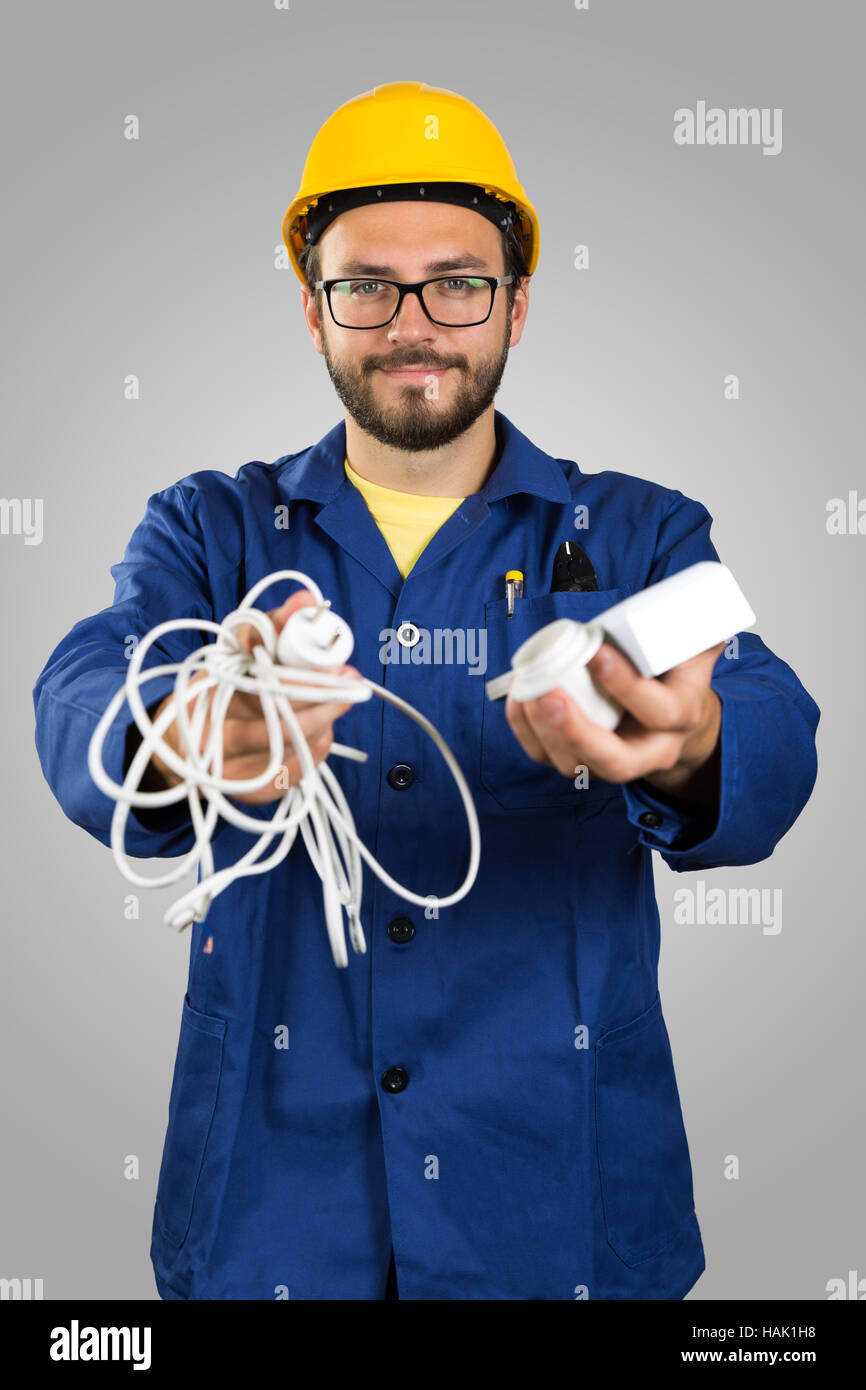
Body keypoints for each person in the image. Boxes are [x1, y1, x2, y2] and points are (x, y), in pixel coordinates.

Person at [32, 80, 819, 1301]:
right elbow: (86, 682)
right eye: (366, 286)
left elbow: (772, 732)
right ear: (312, 311)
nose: (414, 322)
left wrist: (692, 742)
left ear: (515, 305)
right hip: (273, 1217)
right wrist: (176, 731)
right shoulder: (214, 528)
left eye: (457, 281)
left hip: (559, 1212)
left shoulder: (639, 532)